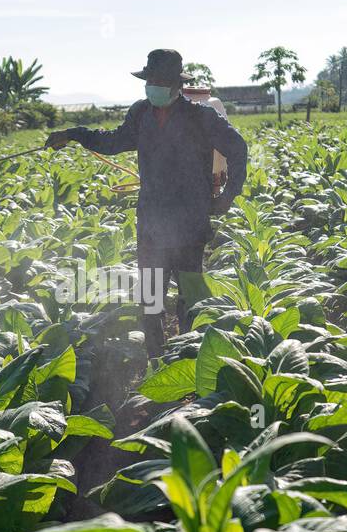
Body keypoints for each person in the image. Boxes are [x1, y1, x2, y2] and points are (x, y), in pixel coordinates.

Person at [45, 49, 248, 357]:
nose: (153, 86)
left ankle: (190, 357)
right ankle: (156, 358)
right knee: (150, 297)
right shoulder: (141, 114)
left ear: (176, 84)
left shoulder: (201, 117)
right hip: (152, 226)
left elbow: (237, 148)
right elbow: (112, 141)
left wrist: (228, 196)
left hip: (189, 226)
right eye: (150, 79)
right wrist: (74, 134)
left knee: (190, 296)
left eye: (160, 81)